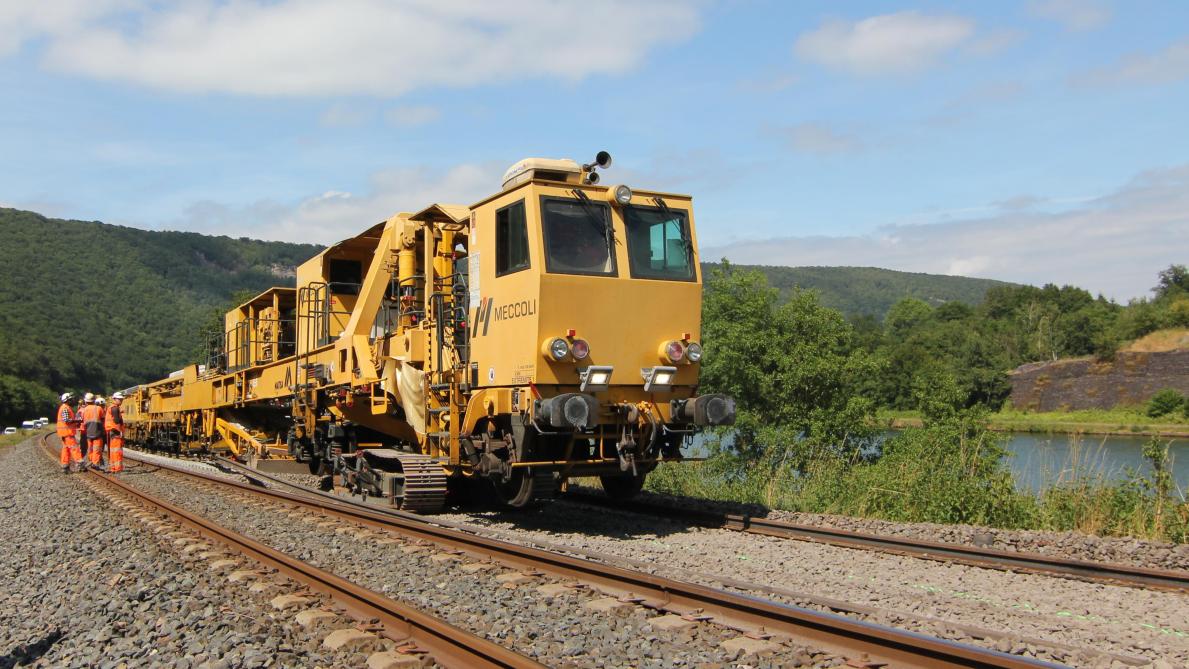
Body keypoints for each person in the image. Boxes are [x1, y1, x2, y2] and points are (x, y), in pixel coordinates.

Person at [55, 393, 83, 473]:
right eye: (71, 399)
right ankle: (80, 464)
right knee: (74, 448)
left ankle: (65, 466)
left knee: (66, 449)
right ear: (67, 400)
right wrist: (77, 421)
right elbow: (66, 420)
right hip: (67, 432)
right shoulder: (65, 408)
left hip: (65, 433)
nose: (72, 401)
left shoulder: (65, 407)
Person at [80, 394, 105, 468]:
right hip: (97, 432)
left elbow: (83, 421)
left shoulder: (84, 410)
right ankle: (95, 463)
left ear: (86, 401)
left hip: (88, 432)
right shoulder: (99, 408)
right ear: (94, 400)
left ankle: (91, 461)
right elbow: (103, 419)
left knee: (90, 448)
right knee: (97, 449)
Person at [105, 392, 126, 473]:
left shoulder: (112, 408)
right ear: (114, 399)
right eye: (119, 399)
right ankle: (118, 468)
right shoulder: (115, 408)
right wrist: (120, 432)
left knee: (113, 451)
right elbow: (116, 421)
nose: (121, 401)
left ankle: (113, 467)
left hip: (112, 431)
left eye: (121, 399)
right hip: (116, 431)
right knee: (117, 451)